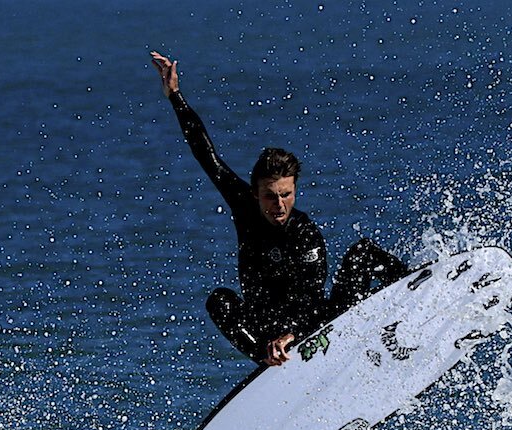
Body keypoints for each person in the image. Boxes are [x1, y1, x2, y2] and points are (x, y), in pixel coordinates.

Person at [150, 51, 410, 366]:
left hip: (315, 326)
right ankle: (268, 360)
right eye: (271, 196)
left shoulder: (305, 233)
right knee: (220, 300)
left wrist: (293, 333)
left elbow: (311, 299)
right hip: (265, 331)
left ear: (295, 190)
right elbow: (206, 155)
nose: (279, 204)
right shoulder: (245, 207)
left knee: (364, 254)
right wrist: (175, 96)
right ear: (256, 194)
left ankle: (411, 306)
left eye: (286, 194)